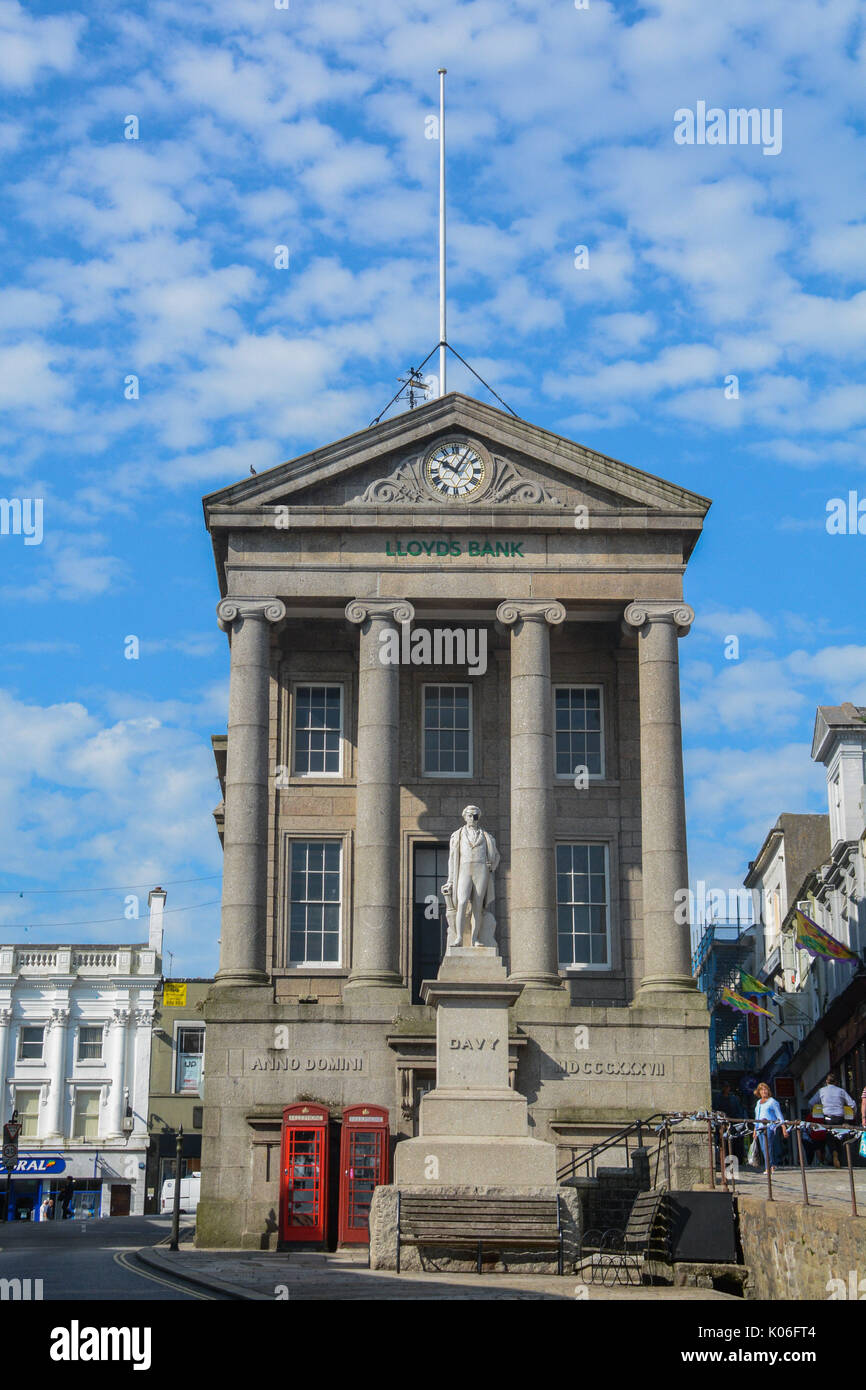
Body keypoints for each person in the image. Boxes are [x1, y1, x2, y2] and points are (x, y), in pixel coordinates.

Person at [809, 1072, 856, 1168]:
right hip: (839, 1117)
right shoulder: (841, 1091)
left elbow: (811, 1102)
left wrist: (816, 1110)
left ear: (827, 1081)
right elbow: (852, 1104)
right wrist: (854, 1113)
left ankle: (834, 1152)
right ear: (836, 1082)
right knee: (840, 1138)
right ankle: (840, 1157)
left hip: (827, 1118)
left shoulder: (821, 1091)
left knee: (830, 1138)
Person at [754, 1082, 788, 1173]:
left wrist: (784, 1128)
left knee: (767, 1147)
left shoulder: (773, 1102)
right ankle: (772, 1165)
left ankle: (768, 1167)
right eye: (762, 1090)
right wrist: (754, 1130)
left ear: (768, 1091)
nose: (764, 1091)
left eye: (765, 1089)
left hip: (769, 1127)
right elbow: (756, 1117)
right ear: (759, 1092)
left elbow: (779, 1116)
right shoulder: (758, 1103)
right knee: (763, 1148)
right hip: (759, 1128)